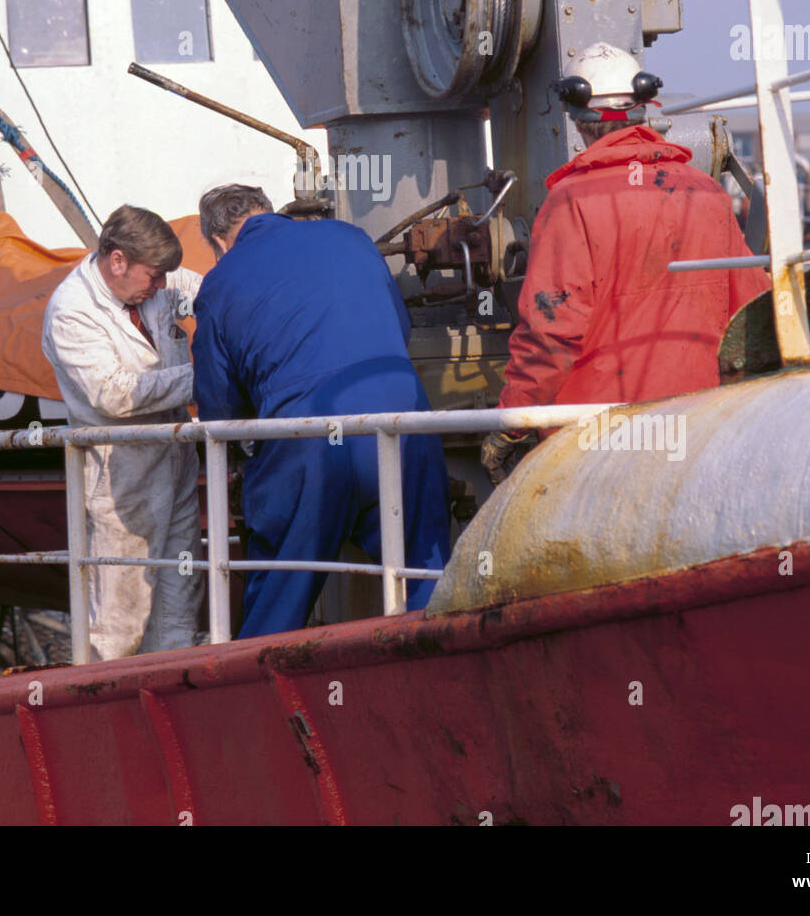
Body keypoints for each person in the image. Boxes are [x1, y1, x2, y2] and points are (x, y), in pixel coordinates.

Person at [482, 42, 769, 485]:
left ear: (576, 118)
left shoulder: (571, 202)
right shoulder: (707, 193)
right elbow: (752, 308)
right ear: (643, 106)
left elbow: (551, 332)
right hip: (698, 432)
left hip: (600, 448)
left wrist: (513, 420)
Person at [191, 184, 451, 637]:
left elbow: (220, 409)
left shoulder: (219, 282)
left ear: (218, 241)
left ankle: (260, 682)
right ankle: (437, 665)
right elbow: (398, 325)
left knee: (281, 586)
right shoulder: (351, 237)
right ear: (269, 211)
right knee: (425, 570)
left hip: (307, 441)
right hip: (402, 422)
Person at [42, 204, 204, 660]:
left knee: (179, 602)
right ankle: (103, 707)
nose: (160, 286)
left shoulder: (154, 281)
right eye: (153, 277)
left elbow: (205, 291)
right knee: (119, 622)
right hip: (121, 476)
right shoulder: (72, 312)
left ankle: (171, 697)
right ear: (117, 261)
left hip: (174, 461)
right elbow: (114, 394)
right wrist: (205, 375)